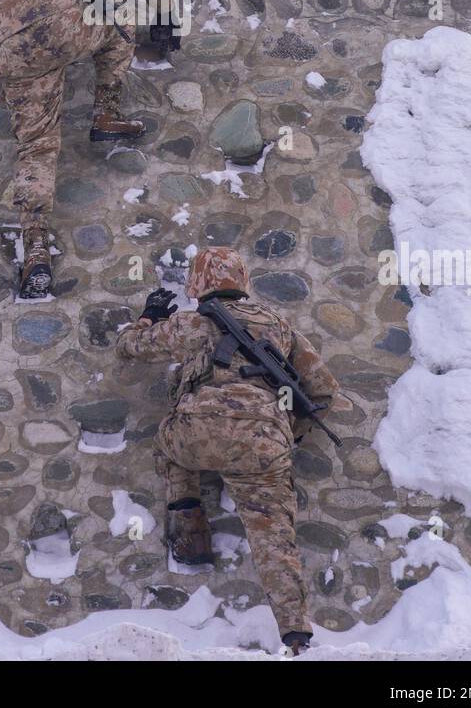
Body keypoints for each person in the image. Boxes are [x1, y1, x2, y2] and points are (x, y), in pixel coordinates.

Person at [115, 246, 344, 656]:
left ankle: (190, 536)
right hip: (263, 444)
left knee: (168, 443)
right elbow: (323, 388)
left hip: (196, 434)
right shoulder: (279, 326)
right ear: (242, 280)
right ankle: (296, 637)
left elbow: (129, 346)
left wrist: (150, 315)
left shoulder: (190, 325)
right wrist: (290, 433)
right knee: (275, 541)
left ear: (197, 283)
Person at [0, 0, 178, 298]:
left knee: (36, 147)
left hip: (7, 50)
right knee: (119, 13)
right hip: (57, 25)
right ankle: (106, 111)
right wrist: (167, 5)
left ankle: (35, 252)